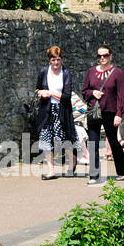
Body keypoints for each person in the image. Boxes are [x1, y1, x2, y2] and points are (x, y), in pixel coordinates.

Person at [82, 45, 124, 184]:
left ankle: (121, 171)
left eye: (105, 55)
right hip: (94, 111)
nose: (102, 58)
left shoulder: (117, 72)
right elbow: (84, 91)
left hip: (110, 112)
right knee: (93, 143)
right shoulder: (90, 72)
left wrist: (119, 113)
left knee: (114, 142)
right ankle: (94, 175)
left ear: (110, 55)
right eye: (100, 56)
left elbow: (122, 95)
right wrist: (93, 93)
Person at [34, 45, 77, 179]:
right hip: (46, 110)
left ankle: (72, 162)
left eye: (58, 59)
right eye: (53, 60)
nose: (56, 63)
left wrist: (51, 93)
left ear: (61, 59)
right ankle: (51, 171)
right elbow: (37, 89)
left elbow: (66, 96)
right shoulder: (43, 72)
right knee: (45, 139)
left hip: (62, 110)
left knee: (63, 139)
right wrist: (41, 92)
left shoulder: (66, 73)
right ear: (49, 60)